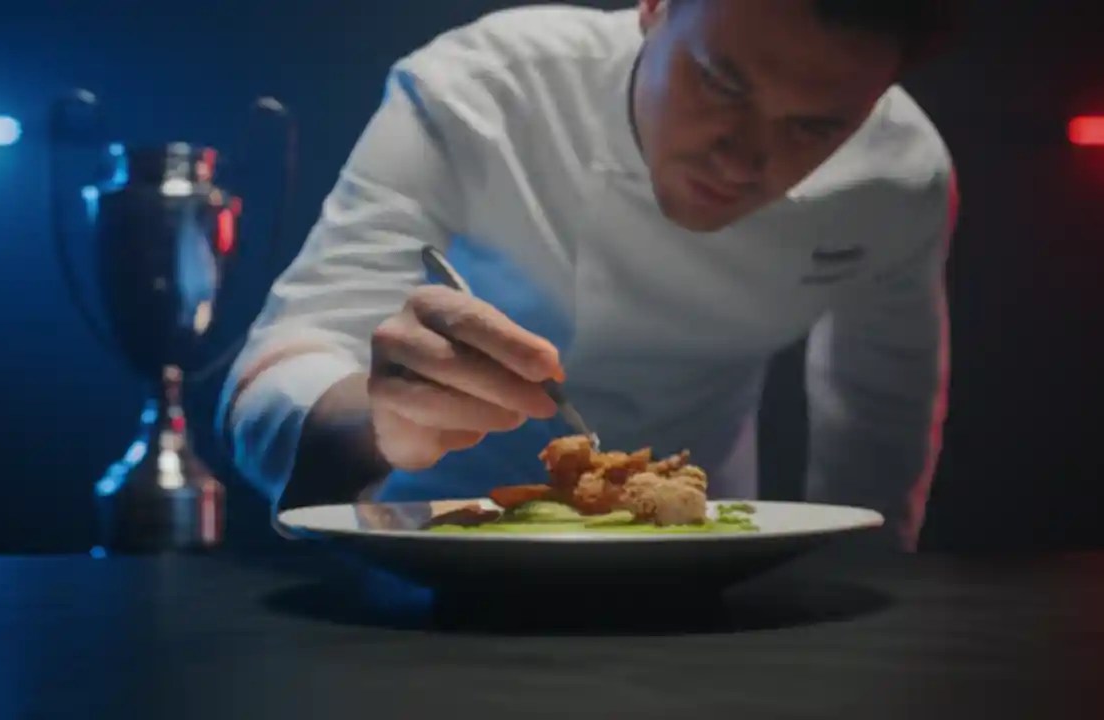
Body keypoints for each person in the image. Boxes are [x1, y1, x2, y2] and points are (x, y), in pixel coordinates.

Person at [218, 0, 960, 551]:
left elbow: (877, 438)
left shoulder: (899, 177)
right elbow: (271, 375)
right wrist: (377, 418)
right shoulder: (481, 89)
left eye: (814, 127)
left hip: (699, 577)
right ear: (655, 8)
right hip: (422, 563)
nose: (742, 159)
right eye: (719, 83)